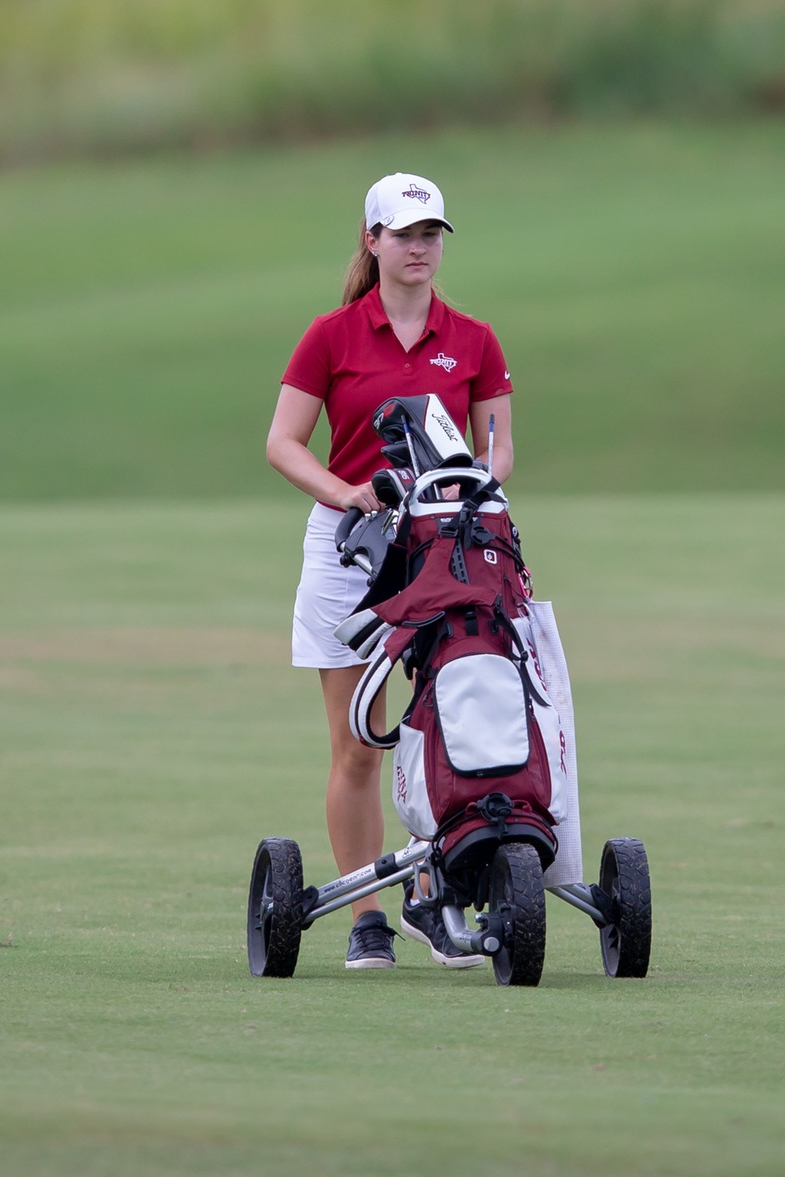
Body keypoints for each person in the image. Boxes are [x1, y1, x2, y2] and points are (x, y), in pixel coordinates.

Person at [266, 172, 515, 969]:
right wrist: (344, 492)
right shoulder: (331, 335)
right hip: (350, 545)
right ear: (371, 240)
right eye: (404, 234)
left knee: (448, 730)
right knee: (358, 747)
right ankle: (366, 915)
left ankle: (434, 902)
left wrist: (469, 490)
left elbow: (498, 450)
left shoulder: (473, 338)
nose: (419, 247)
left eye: (430, 233)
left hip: (443, 546)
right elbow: (283, 443)